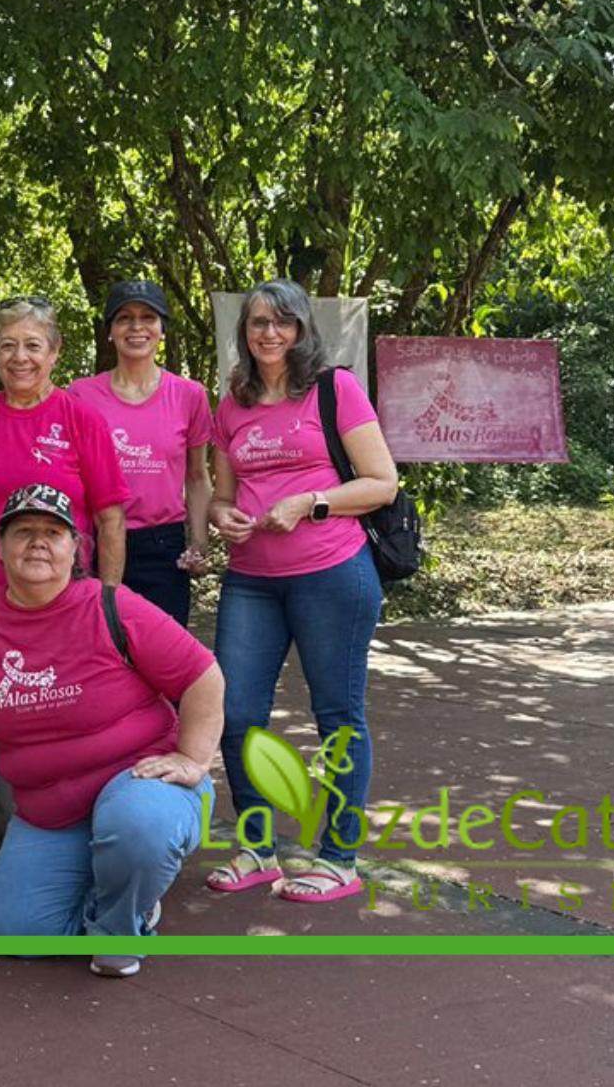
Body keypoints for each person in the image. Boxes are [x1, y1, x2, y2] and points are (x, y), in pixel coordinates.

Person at [0, 484, 222, 977]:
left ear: (76, 548)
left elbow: (202, 676)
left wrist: (193, 760)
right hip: (52, 815)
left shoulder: (114, 607)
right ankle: (117, 892)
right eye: (23, 531)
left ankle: (121, 928)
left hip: (140, 783)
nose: (37, 542)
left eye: (53, 532)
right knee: (14, 927)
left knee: (138, 825)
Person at [202, 279, 399, 904]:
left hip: (332, 573)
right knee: (234, 714)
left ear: (301, 330)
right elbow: (222, 494)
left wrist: (311, 502)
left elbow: (382, 482)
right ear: (245, 331)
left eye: (282, 323)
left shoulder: (334, 389)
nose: (269, 334)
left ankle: (339, 858)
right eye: (258, 323)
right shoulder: (231, 401)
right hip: (252, 580)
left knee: (337, 717)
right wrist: (220, 517)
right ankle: (258, 848)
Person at [0, 296, 129, 611]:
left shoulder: (82, 420)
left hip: (65, 602)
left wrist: (107, 603)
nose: (19, 357)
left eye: (33, 346)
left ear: (54, 351)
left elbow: (111, 521)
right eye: (8, 345)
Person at [69, 280, 214, 623]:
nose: (136, 327)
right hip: (96, 539)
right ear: (110, 331)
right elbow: (70, 479)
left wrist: (198, 542)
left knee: (161, 657)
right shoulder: (80, 395)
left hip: (162, 544)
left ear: (162, 328)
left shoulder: (189, 395)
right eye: (124, 318)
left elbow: (196, 476)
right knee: (99, 652)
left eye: (148, 317)